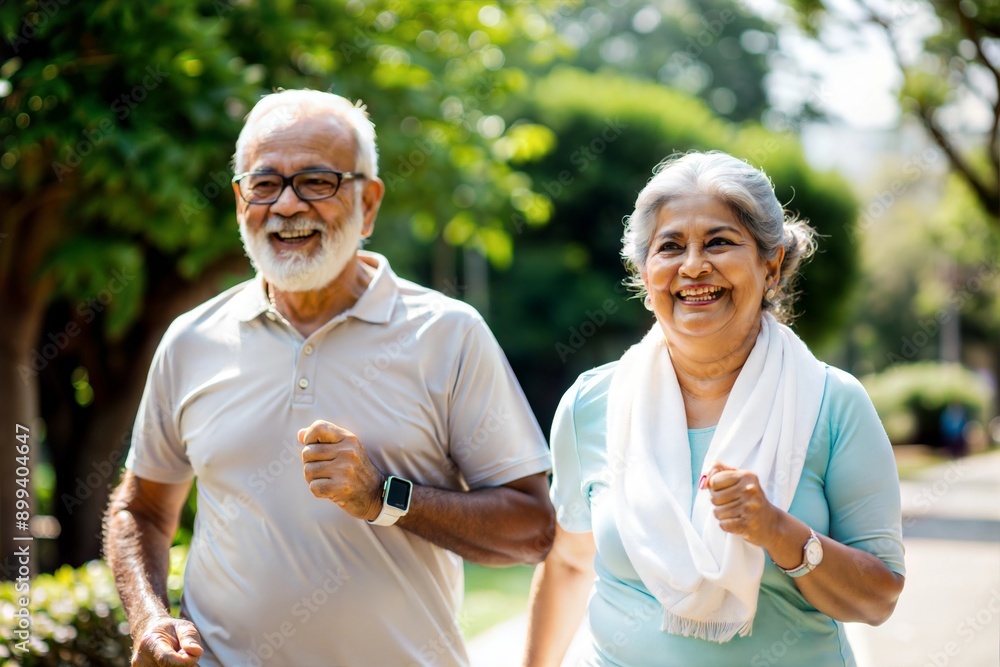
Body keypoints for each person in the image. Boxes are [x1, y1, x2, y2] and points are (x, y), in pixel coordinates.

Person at [104, 89, 555, 667]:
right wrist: (148, 618)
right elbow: (139, 511)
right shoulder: (192, 339)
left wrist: (382, 496)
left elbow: (532, 529)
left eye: (317, 181)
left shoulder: (449, 334)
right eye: (264, 184)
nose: (287, 206)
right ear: (241, 200)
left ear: (368, 203)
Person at [523, 151, 905, 667]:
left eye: (720, 242)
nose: (694, 265)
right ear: (645, 271)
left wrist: (777, 530)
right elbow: (569, 565)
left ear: (770, 264)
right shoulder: (592, 405)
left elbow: (878, 598)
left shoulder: (832, 403)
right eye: (670, 247)